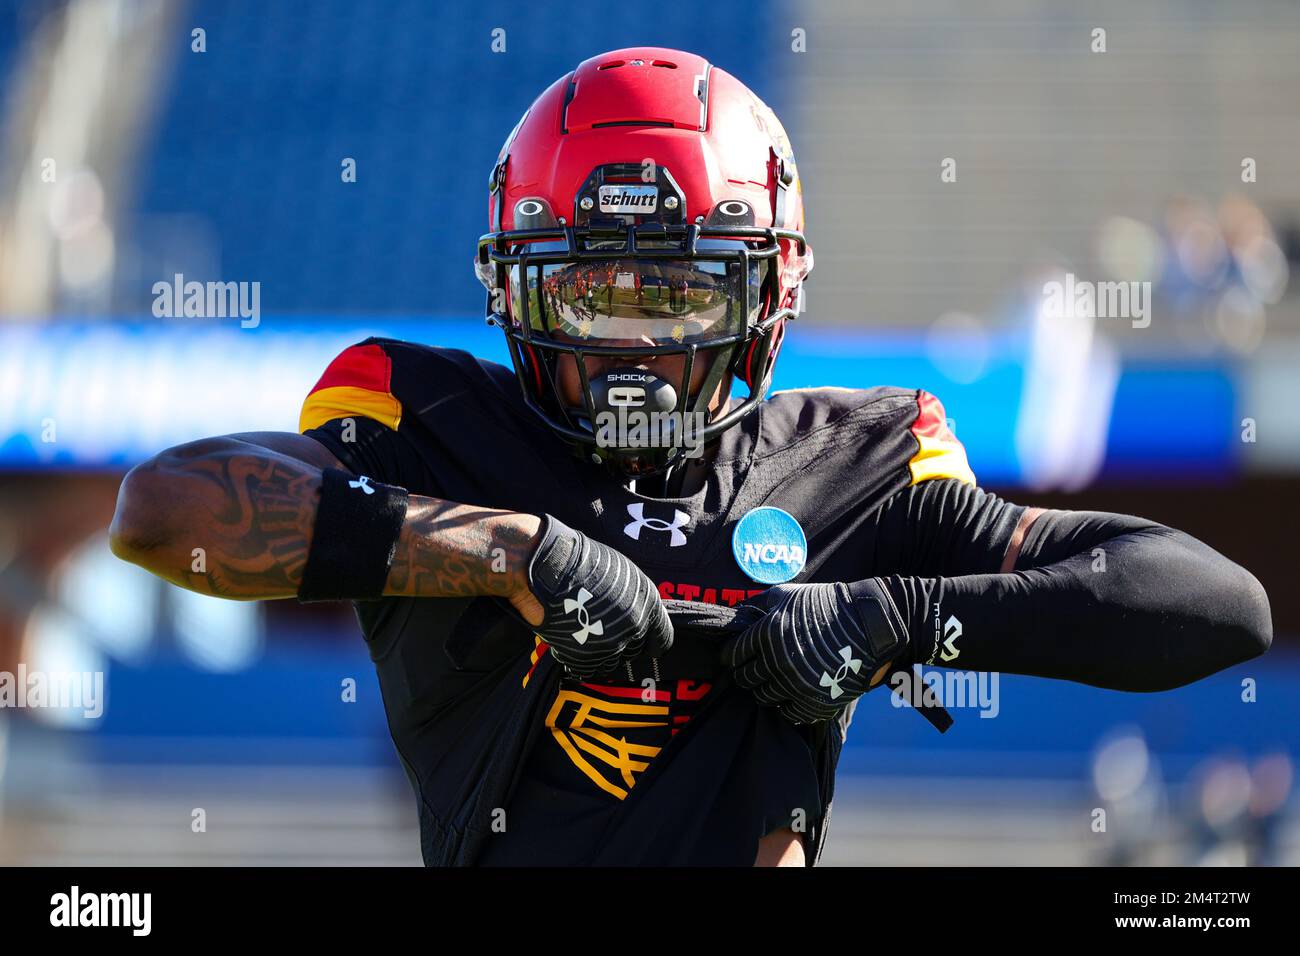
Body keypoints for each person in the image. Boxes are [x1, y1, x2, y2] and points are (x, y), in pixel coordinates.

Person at [109, 47, 1272, 867]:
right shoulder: (435, 423)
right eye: (590, 289)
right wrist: (511, 551)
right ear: (515, 289)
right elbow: (159, 511)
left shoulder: (859, 461)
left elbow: (1217, 602)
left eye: (672, 291)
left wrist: (897, 614)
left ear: (765, 291)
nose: (628, 341)